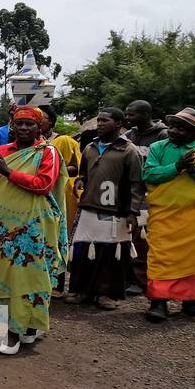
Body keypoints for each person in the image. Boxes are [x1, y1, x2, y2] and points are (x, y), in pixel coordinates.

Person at [0, 106, 67, 354]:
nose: (24, 128)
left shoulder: (47, 152)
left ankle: (16, 332)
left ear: (40, 128)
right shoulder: (3, 150)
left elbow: (43, 185)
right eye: (20, 124)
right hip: (1, 226)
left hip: (31, 226)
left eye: (30, 124)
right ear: (12, 127)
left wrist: (7, 170)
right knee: (1, 274)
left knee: (26, 276)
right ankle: (20, 328)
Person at [141, 107, 195, 323]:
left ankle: (192, 302)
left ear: (194, 132)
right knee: (160, 258)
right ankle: (159, 302)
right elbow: (149, 174)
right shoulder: (158, 148)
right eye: (172, 126)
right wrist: (176, 167)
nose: (173, 131)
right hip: (164, 215)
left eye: (180, 128)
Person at [67, 108, 143, 309]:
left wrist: (133, 212)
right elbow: (83, 173)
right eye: (98, 120)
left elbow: (137, 184)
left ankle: (105, 294)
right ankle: (81, 291)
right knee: (83, 251)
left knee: (110, 254)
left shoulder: (129, 151)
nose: (99, 124)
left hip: (115, 211)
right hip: (88, 208)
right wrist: (80, 181)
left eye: (105, 120)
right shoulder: (90, 148)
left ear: (118, 124)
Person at [124, 100, 169, 296]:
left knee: (145, 239)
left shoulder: (163, 135)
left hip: (154, 194)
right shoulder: (129, 135)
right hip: (132, 192)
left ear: (146, 114)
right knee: (131, 236)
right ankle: (132, 277)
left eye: (132, 114)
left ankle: (145, 279)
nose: (128, 118)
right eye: (126, 114)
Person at [41, 107, 81, 298]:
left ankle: (58, 284)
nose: (40, 120)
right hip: (38, 194)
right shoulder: (32, 143)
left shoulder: (63, 141)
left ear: (52, 121)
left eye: (44, 117)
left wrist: (53, 169)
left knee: (59, 236)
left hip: (59, 194)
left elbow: (76, 167)